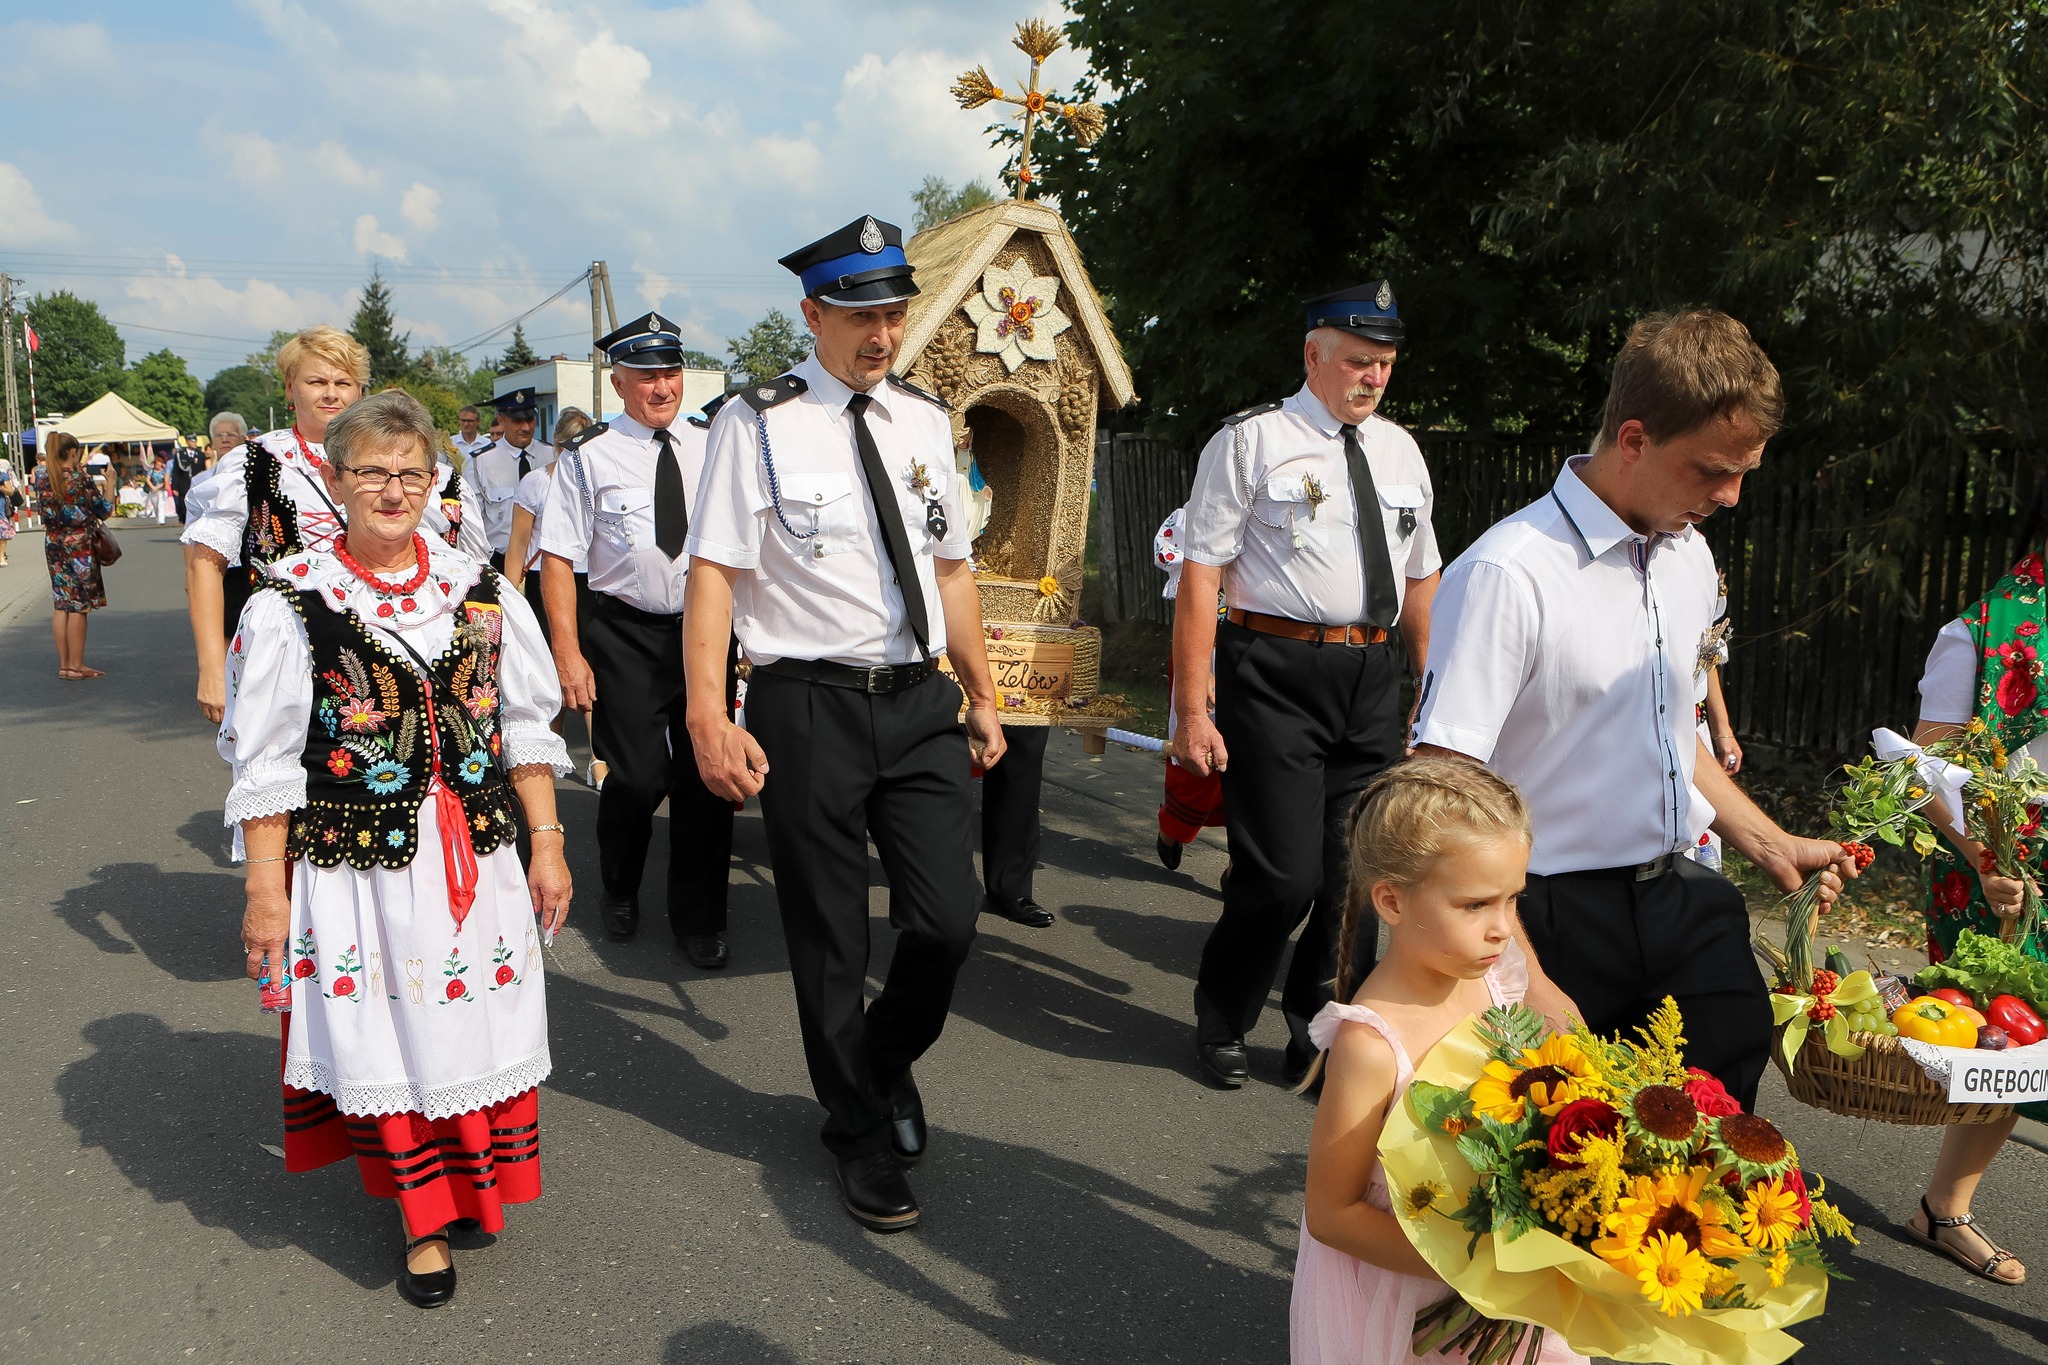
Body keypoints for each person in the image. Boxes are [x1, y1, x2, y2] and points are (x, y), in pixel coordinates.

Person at [1413, 309, 1856, 1110]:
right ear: (1635, 440)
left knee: (1716, 1140)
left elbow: (1669, 728)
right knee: (1564, 1173)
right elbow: (1441, 797)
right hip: (1543, 912)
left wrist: (1769, 841)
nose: (1731, 496)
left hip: (1675, 896)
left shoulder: (1687, 552)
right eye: (1713, 470)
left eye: (1745, 471)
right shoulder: (1510, 573)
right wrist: (1524, 974)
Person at [683, 215, 1008, 1232]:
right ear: (811, 314)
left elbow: (950, 569)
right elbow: (716, 576)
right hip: (806, 701)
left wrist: (982, 687)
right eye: (862, 314)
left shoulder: (921, 418)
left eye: (895, 312)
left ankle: (879, 1059)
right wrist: (705, 712)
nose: (882, 332)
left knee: (945, 922)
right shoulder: (755, 422)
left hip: (916, 700)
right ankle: (858, 1131)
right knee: (826, 935)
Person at [220, 391, 572, 1310]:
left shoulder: (480, 588)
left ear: (432, 480)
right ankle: (420, 1219)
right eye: (372, 470)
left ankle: (471, 1187)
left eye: (410, 471)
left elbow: (520, 730)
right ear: (334, 479)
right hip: (357, 871)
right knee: (393, 1038)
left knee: (470, 1029)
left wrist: (547, 842)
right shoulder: (289, 600)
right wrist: (267, 894)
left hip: (479, 862)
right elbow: (267, 768)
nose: (393, 489)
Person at [1171, 281, 1442, 1090]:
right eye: (1359, 361)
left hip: (1368, 674)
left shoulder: (1400, 451)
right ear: (1313, 354)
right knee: (1282, 874)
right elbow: (1200, 577)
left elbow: (1423, 579)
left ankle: (1319, 1034)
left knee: (1357, 874)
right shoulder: (1253, 442)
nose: (1372, 378)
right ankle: (1222, 1011)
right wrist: (1193, 705)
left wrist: (1435, 692)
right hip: (1273, 670)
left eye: (1385, 365)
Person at [1291, 756, 1585, 1365]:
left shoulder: (1501, 982)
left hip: (1515, 1288)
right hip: (1418, 1301)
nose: (1503, 929)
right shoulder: (1371, 1044)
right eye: (1475, 905)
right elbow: (1331, 1213)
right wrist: (1482, 1263)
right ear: (1392, 903)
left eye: (1513, 900)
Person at [538, 319, 734, 965]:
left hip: (705, 632)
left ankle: (700, 918)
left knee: (708, 775)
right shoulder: (588, 457)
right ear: (617, 380)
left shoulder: (714, 446)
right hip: (625, 633)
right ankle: (619, 885)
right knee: (636, 776)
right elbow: (559, 559)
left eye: (671, 371)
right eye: (646, 374)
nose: (661, 385)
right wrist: (568, 652)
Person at [1897, 516, 2048, 1288]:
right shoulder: (1977, 634)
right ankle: (1945, 1209)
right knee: (2014, 1053)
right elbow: (1923, 772)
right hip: (2004, 877)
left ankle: (1941, 1205)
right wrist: (1985, 858)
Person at [183, 326, 369, 722]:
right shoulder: (251, 462)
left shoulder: (391, 457)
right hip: (280, 651)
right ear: (290, 388)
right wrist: (212, 666)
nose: (331, 393)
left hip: (376, 648)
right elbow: (205, 563)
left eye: (343, 382)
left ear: (359, 390)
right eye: (316, 381)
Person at [1152, 506, 1227, 869]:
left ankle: (1241, 865)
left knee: (1261, 767)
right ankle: (1174, 827)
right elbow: (1192, 598)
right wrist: (1203, 668)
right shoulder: (1200, 516)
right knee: (1199, 758)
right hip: (1207, 649)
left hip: (1271, 651)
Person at [32, 433, 115, 679]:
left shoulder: (43, 479)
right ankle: (77, 665)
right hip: (79, 544)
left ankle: (65, 664)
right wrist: (110, 481)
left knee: (61, 603)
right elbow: (105, 510)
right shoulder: (80, 479)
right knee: (79, 605)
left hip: (54, 542)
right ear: (71, 452)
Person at [460, 388, 555, 572]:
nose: (525, 427)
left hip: (544, 562)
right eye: (517, 421)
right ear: (502, 421)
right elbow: (472, 522)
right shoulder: (480, 462)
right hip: (499, 562)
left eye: (529, 420)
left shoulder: (551, 456)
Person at [0, 462, 20, 567]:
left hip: (0, 509)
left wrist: (2, 488)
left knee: (2, 534)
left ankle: (1, 556)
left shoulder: (2, 475)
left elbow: (11, 491)